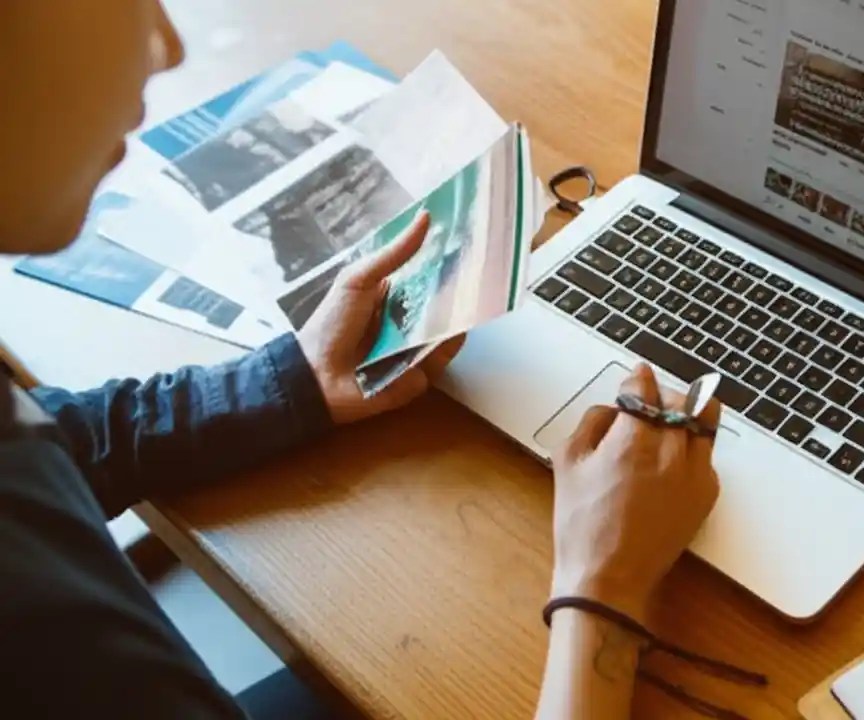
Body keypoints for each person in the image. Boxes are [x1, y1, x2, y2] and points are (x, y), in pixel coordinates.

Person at [0, 2, 727, 718]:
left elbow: (60, 441)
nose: (167, 45)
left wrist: (292, 383)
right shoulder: (39, 619)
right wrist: (603, 591)